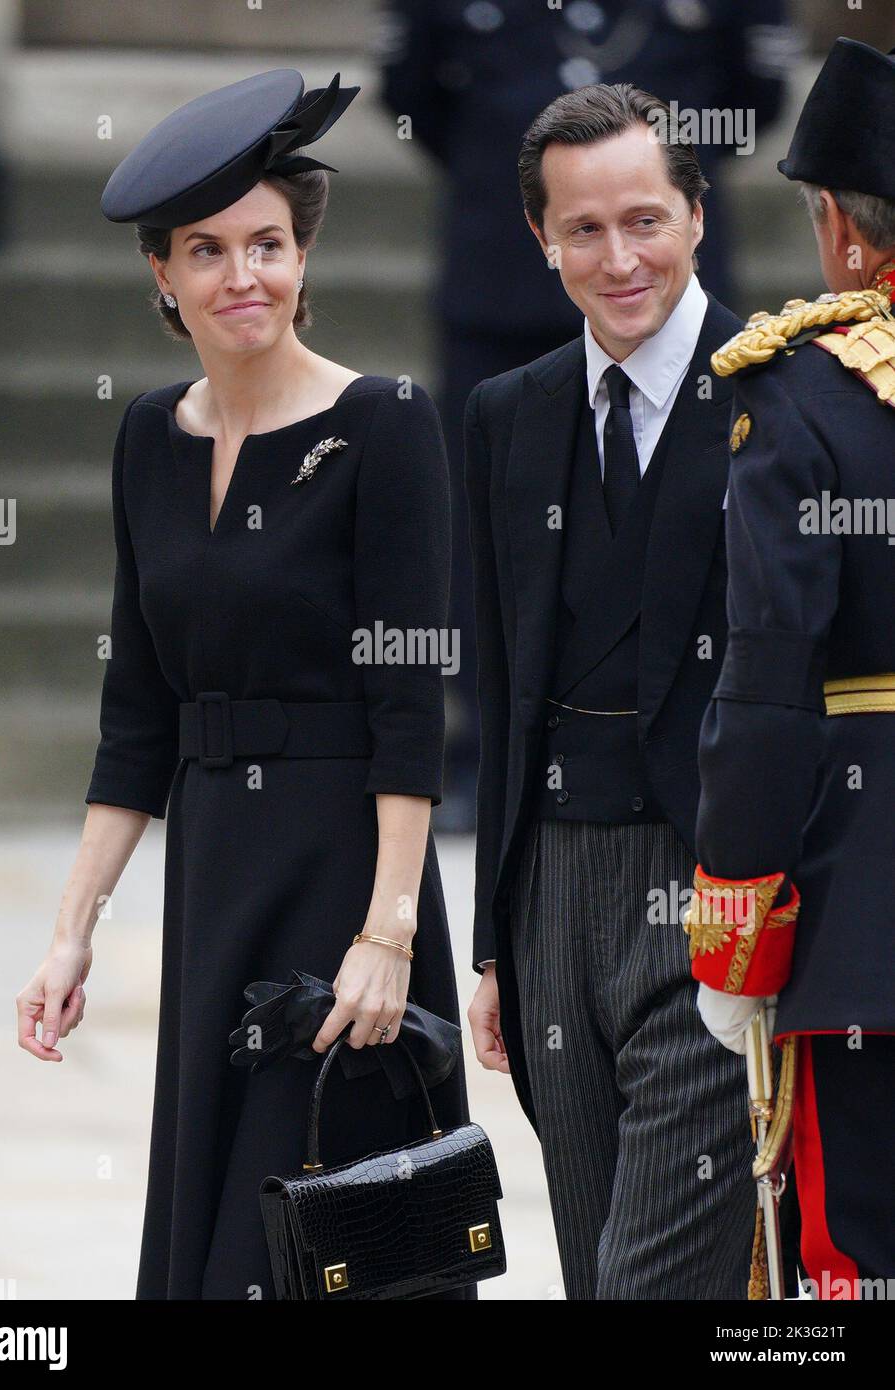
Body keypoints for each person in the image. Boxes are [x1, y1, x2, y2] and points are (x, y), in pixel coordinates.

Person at [14, 68, 474, 1301]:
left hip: (341, 871)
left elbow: (406, 705)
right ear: (161, 275)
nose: (244, 277)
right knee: (219, 1220)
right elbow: (136, 718)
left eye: (267, 244)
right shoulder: (146, 441)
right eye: (208, 251)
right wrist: (73, 931)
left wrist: (389, 934)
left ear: (303, 254)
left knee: (332, 1230)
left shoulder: (385, 424)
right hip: (217, 867)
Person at [463, 82, 758, 1298]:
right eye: (582, 229)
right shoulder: (502, 414)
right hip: (548, 902)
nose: (618, 257)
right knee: (594, 1272)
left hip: (709, 892)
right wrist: (492, 942)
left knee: (652, 1279)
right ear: (541, 239)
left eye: (644, 219)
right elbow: (497, 682)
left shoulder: (778, 398)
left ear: (695, 213)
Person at [378, 0, 797, 829]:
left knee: (694, 510)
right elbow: (411, 91)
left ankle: (695, 734)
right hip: (497, 274)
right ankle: (487, 752)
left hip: (665, 282)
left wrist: (650, 200)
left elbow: (755, 91)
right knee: (487, 525)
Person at [688, 36, 895, 1298]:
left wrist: (735, 917)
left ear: (839, 231)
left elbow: (765, 686)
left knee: (850, 1258)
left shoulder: (802, 399)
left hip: (862, 911)